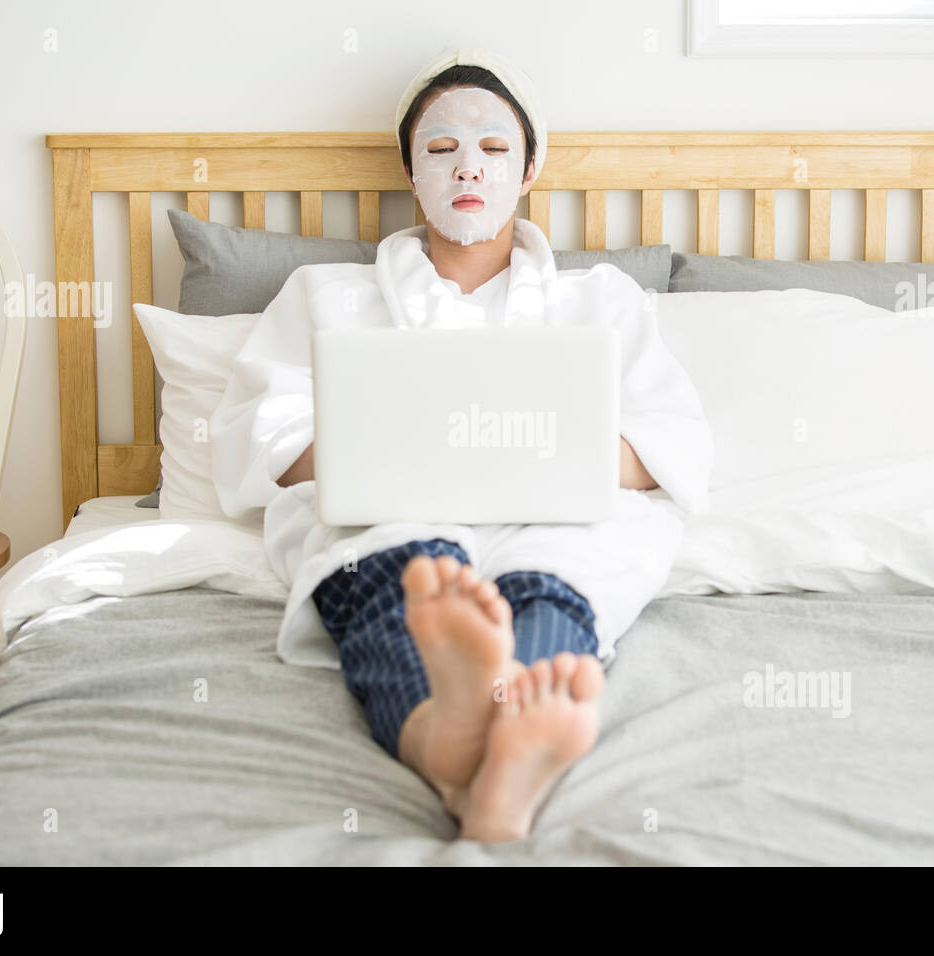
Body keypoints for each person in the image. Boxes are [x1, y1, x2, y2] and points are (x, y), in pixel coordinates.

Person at [210, 47, 713, 841]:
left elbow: (672, 441)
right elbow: (257, 438)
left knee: (553, 581)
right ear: (412, 172)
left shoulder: (601, 302)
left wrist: (536, 458)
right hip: (391, 520)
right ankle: (492, 756)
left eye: (492, 149)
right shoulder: (327, 296)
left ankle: (456, 747)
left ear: (530, 168)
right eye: (441, 150)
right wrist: (394, 457)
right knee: (400, 578)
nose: (467, 168)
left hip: (556, 523)